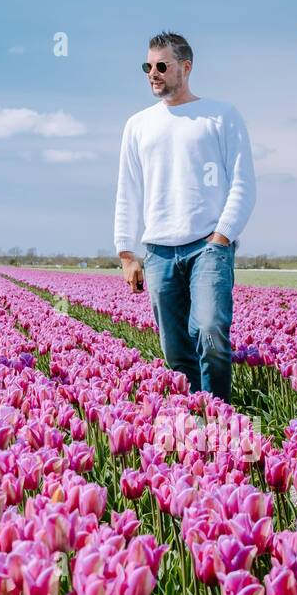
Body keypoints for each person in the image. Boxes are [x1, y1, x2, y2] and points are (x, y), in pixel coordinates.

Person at [113, 31, 256, 403]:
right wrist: (127, 252)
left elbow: (243, 181)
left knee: (210, 335)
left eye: (162, 66)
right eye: (147, 66)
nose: (153, 73)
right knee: (176, 353)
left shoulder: (221, 116)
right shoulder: (138, 124)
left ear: (186, 67)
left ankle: (222, 418)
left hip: (208, 246)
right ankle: (195, 430)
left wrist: (222, 235)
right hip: (159, 250)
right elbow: (127, 190)